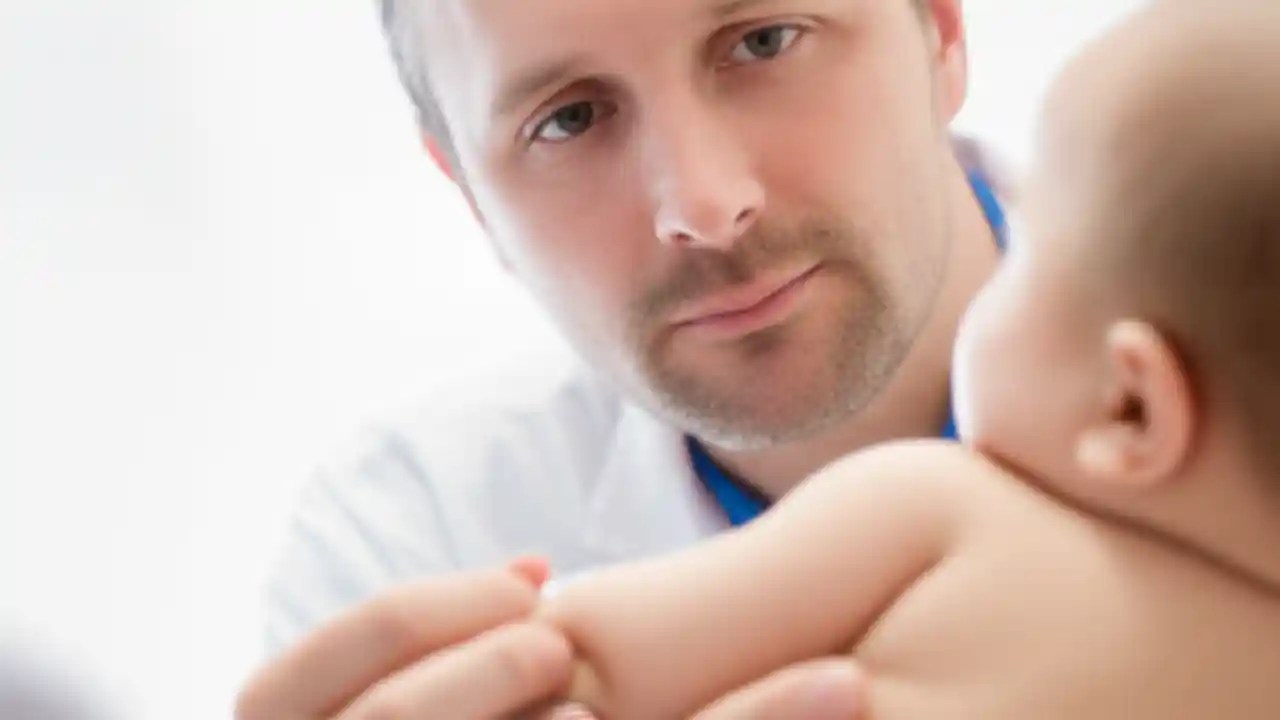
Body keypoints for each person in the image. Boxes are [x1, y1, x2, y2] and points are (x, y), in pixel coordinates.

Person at [239, 0, 1004, 717]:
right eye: (568, 121)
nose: (704, 206)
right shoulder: (408, 545)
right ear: (473, 199)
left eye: (763, 41)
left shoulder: (1129, 287)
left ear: (940, 29)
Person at [534, 1, 1280, 716]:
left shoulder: (940, 514)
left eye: (1029, 258)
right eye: (572, 117)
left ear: (1130, 409)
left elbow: (564, 664)